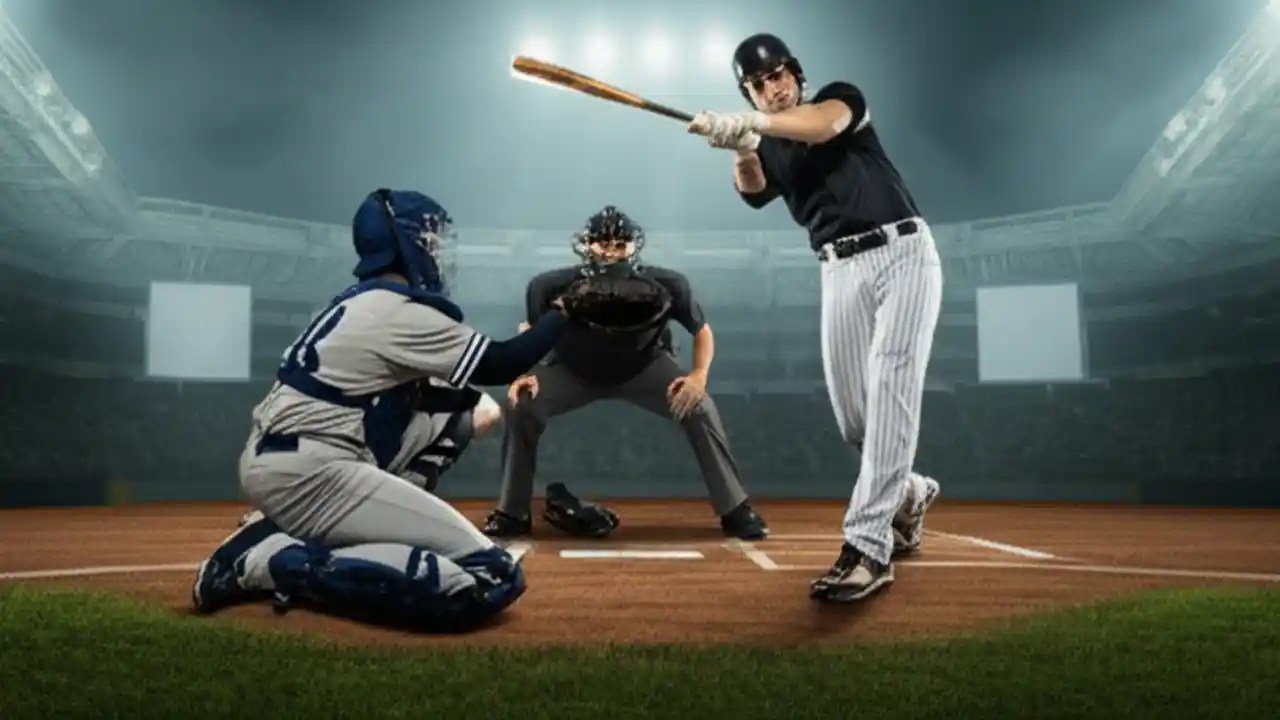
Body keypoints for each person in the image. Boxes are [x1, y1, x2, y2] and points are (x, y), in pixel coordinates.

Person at [191, 188, 573, 631]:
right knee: (491, 578)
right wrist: (562, 313)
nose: (441, 253)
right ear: (408, 244)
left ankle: (282, 532)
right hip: (315, 472)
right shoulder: (398, 312)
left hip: (295, 458)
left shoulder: (355, 303)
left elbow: (457, 403)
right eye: (433, 241)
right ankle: (269, 560)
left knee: (454, 414)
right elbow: (501, 362)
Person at [687, 34, 942, 603]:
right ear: (749, 90)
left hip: (901, 253)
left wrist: (752, 122)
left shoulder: (837, 99)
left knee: (892, 382)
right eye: (758, 84)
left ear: (795, 74)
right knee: (857, 421)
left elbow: (823, 126)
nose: (772, 88)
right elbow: (753, 190)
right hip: (838, 269)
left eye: (778, 76)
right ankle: (910, 494)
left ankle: (867, 548)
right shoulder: (768, 140)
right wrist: (740, 145)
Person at [480, 206, 768, 541]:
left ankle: (735, 507)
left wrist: (698, 376)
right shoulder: (548, 285)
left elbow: (701, 330)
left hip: (646, 367)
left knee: (699, 406)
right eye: (603, 243)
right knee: (521, 403)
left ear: (634, 246)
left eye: (619, 243)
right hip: (571, 370)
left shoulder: (670, 283)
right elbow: (529, 329)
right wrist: (524, 372)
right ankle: (512, 512)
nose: (611, 250)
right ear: (587, 245)